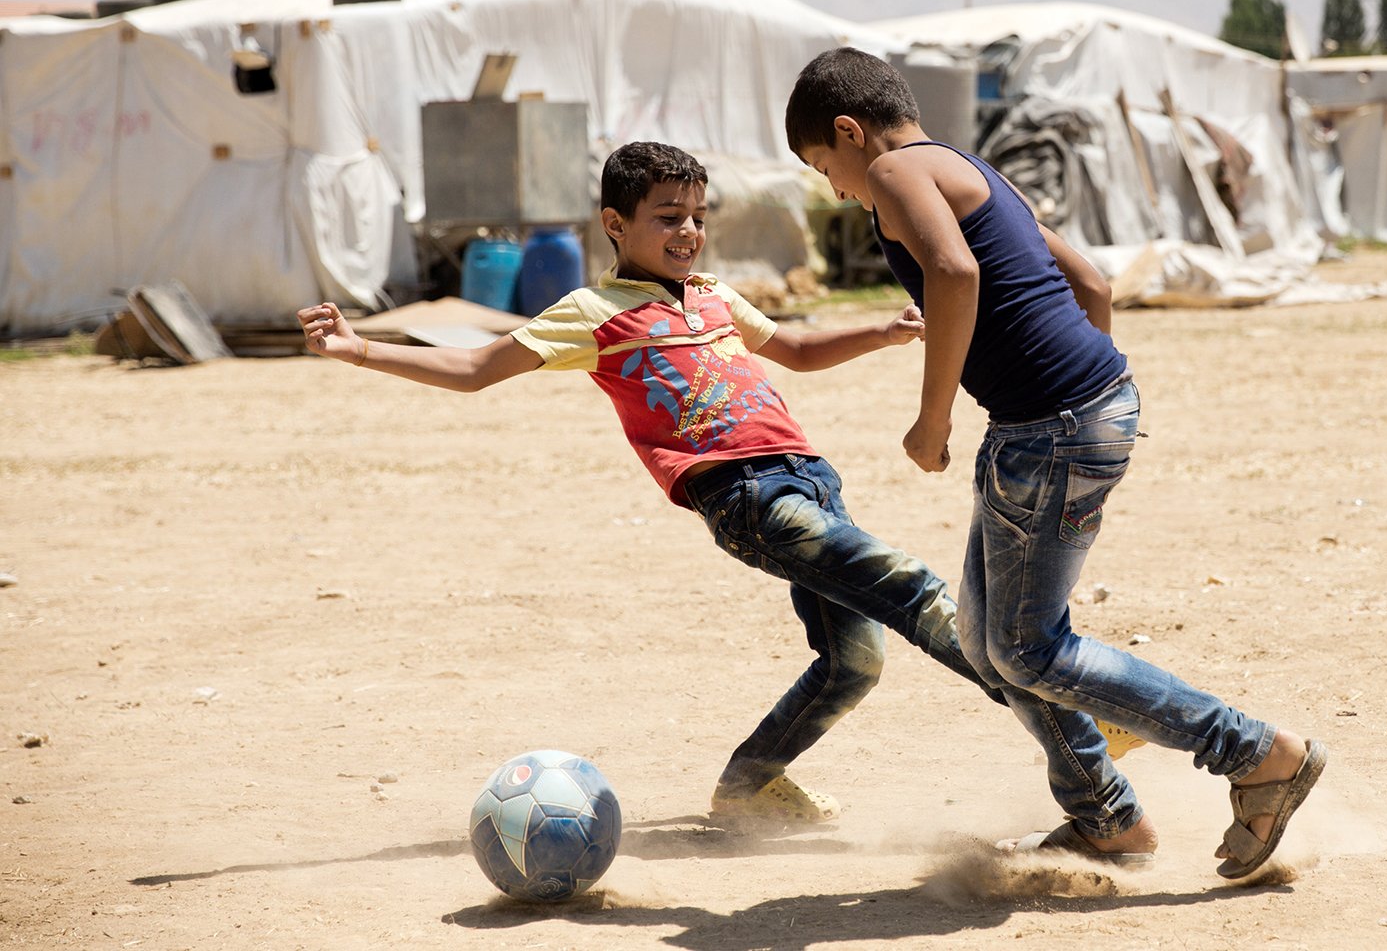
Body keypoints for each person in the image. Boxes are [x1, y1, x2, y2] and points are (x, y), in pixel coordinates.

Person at [296, 139, 1005, 830]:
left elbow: (792, 349)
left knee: (855, 661)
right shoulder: (593, 312)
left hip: (813, 482)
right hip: (750, 498)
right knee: (913, 590)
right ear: (615, 223)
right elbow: (476, 369)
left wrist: (880, 333)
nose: (688, 231)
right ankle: (1050, 700)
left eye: (698, 216)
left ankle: (749, 788)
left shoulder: (715, 296)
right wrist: (360, 349)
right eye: (667, 217)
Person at [784, 50, 1327, 878]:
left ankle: (1256, 754)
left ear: (851, 132)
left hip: (1051, 427)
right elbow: (1092, 285)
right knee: (987, 640)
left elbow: (954, 272)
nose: (836, 190)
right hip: (1075, 413)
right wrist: (1087, 392)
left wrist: (934, 418)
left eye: (826, 167)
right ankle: (1106, 818)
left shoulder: (894, 172)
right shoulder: (970, 169)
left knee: (1029, 649)